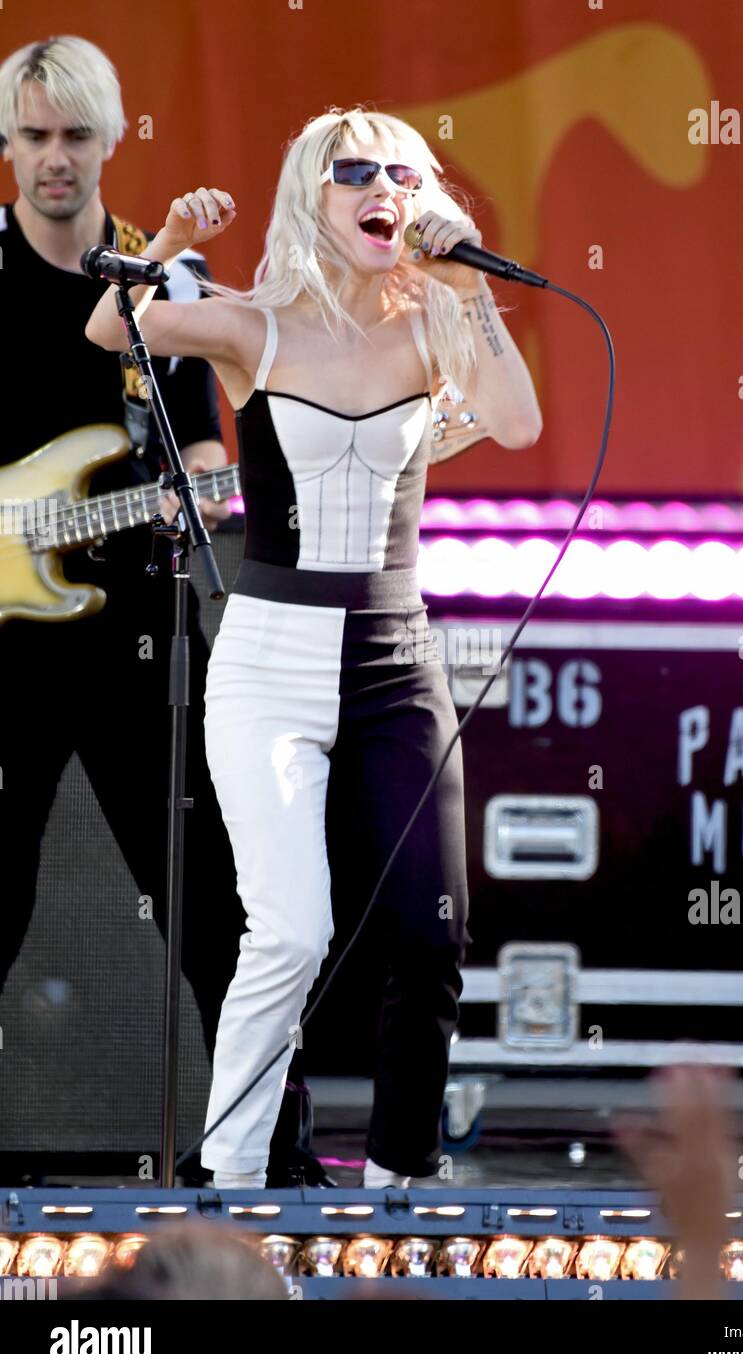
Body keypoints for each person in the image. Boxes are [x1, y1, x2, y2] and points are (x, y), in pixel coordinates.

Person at [86, 105, 542, 1190]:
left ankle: (401, 1178)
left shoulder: (435, 319)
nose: (378, 185)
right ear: (311, 194)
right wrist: (154, 256)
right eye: (351, 171)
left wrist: (468, 285)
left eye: (398, 170)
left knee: (431, 935)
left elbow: (516, 421)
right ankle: (231, 1175)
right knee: (290, 934)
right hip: (272, 652)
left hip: (394, 651)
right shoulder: (257, 322)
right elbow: (116, 333)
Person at [0, 35, 310, 1186]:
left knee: (216, 908)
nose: (53, 161)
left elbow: (202, 458)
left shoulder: (162, 281)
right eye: (33, 136)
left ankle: (270, 1155)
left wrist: (198, 505)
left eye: (75, 136)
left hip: (135, 638)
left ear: (112, 139)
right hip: (8, 658)